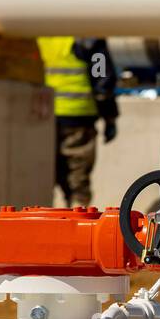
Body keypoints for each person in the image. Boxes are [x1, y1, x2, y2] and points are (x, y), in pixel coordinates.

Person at [37, 36, 119, 207]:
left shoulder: (40, 34)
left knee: (44, 177)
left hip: (41, 117)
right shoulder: (87, 36)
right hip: (78, 115)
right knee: (77, 180)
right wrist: (109, 117)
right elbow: (102, 79)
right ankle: (77, 217)